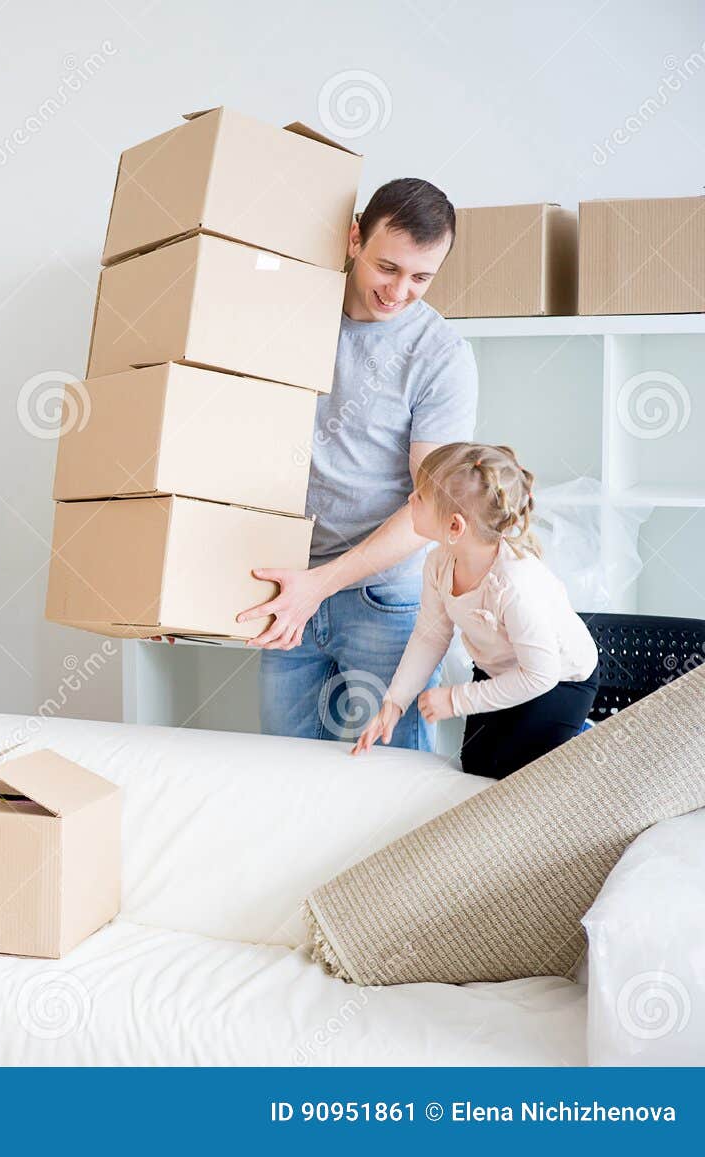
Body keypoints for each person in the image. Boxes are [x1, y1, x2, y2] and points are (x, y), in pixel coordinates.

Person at [238, 178, 479, 751]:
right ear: (354, 240)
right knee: (282, 765)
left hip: (385, 597)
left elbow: (432, 506)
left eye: (421, 278)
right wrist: (177, 590)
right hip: (290, 584)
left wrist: (318, 586)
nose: (398, 291)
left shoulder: (441, 356)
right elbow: (231, 446)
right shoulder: (290, 319)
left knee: (393, 780)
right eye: (387, 268)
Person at [352, 443, 599, 777]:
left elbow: (540, 675)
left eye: (421, 497)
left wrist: (456, 700)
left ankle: (583, 734)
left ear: (455, 526)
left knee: (519, 775)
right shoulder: (438, 563)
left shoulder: (514, 584)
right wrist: (395, 701)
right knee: (478, 766)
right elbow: (431, 635)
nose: (410, 500)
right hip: (502, 668)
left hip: (559, 678)